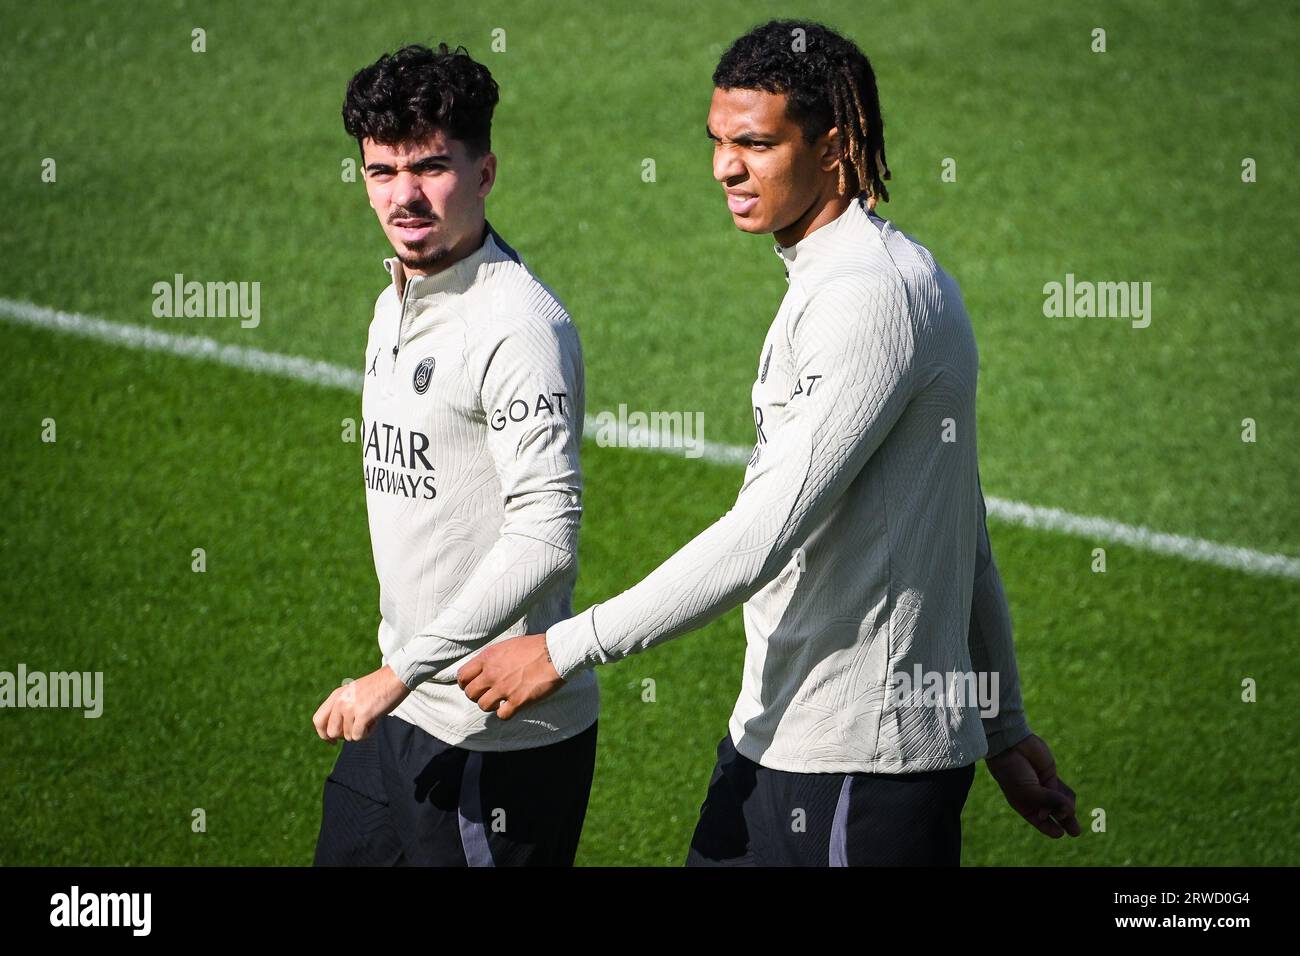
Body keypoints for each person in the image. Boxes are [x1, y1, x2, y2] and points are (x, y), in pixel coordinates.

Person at [457, 20, 1080, 865]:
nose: (724, 167)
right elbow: (964, 538)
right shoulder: (837, 278)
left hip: (862, 770)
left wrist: (564, 649)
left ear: (834, 145)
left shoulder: (871, 299)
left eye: (755, 143)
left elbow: (761, 536)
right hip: (775, 744)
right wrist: (1001, 725)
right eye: (717, 141)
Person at [310, 43, 598, 866]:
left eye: (430, 167)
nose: (403, 196)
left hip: (494, 742)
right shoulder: (393, 301)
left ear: (485, 171)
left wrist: (399, 672)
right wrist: (400, 680)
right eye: (380, 171)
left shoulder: (517, 326)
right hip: (402, 716)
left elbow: (546, 534)